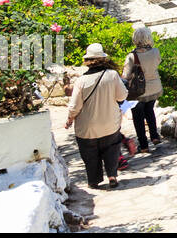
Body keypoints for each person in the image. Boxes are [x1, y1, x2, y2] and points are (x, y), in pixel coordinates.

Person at [65, 43, 128, 190]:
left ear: (88, 60)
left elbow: (75, 106)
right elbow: (122, 95)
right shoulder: (112, 75)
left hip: (87, 128)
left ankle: (94, 180)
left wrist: (69, 119)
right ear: (103, 59)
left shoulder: (81, 81)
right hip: (109, 123)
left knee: (89, 152)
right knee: (111, 148)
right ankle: (112, 176)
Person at [123, 23, 163, 153]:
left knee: (138, 117)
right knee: (149, 111)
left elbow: (126, 75)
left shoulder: (131, 56)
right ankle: (155, 136)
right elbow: (157, 63)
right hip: (154, 88)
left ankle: (144, 145)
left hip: (138, 91)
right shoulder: (156, 51)